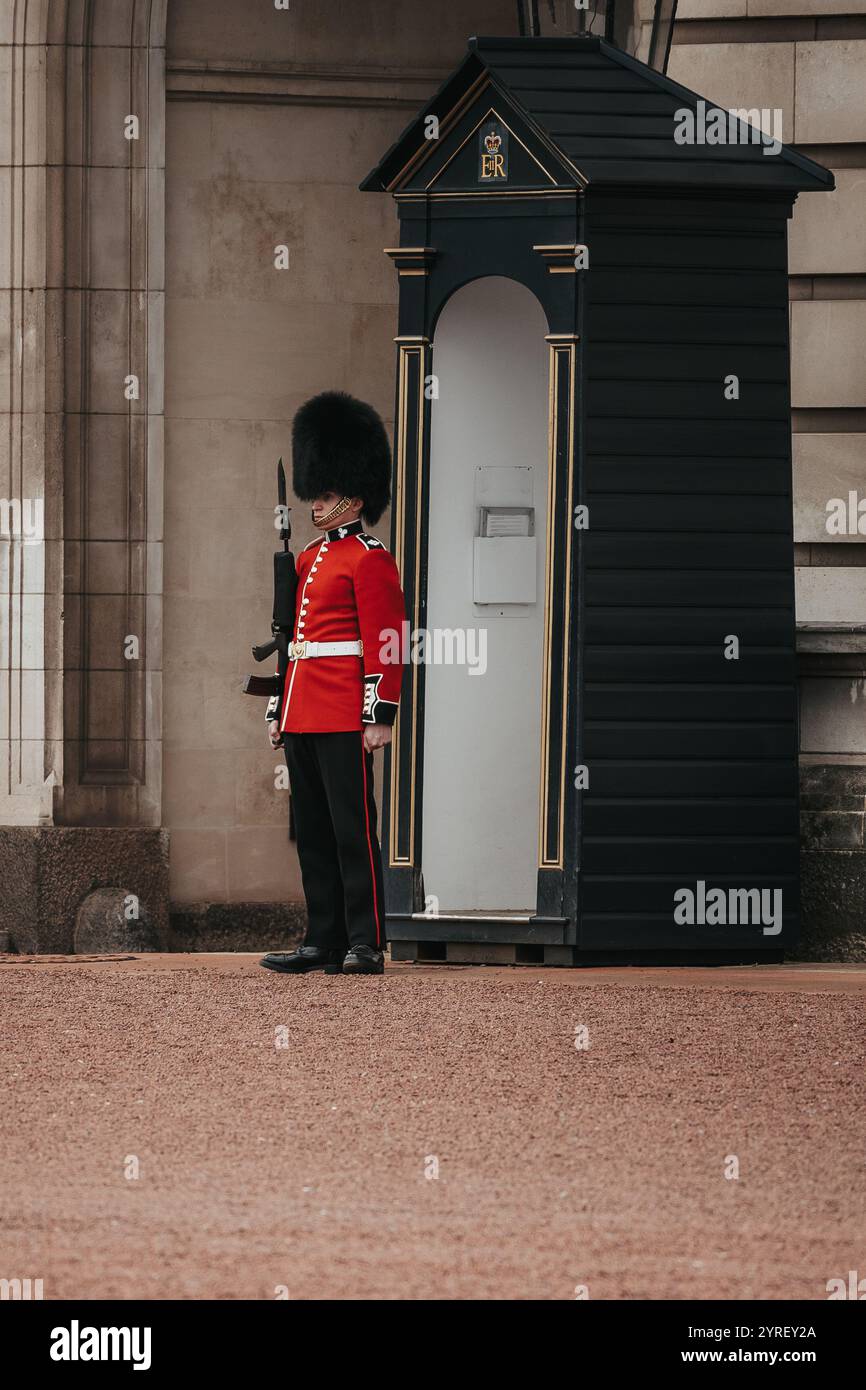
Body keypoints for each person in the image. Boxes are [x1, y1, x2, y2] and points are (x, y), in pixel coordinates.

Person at [260, 391, 405, 977]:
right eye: (314, 492)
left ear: (354, 494)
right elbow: (291, 640)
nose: (317, 503)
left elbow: (386, 642)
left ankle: (365, 940)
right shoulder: (304, 561)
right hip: (303, 709)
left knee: (352, 830)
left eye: (325, 492)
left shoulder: (370, 559)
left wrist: (380, 714)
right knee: (313, 833)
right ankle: (322, 937)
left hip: (346, 710)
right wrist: (278, 709)